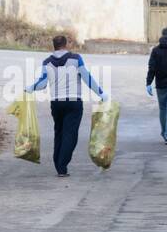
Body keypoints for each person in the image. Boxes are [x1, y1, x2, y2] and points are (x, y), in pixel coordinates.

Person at [26, 35, 107, 177]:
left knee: (59, 132)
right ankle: (62, 166)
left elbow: (42, 83)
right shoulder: (76, 59)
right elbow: (87, 77)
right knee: (71, 135)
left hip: (56, 103)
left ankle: (58, 162)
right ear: (66, 44)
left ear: (54, 45)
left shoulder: (47, 62)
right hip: (73, 102)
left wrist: (29, 88)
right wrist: (101, 93)